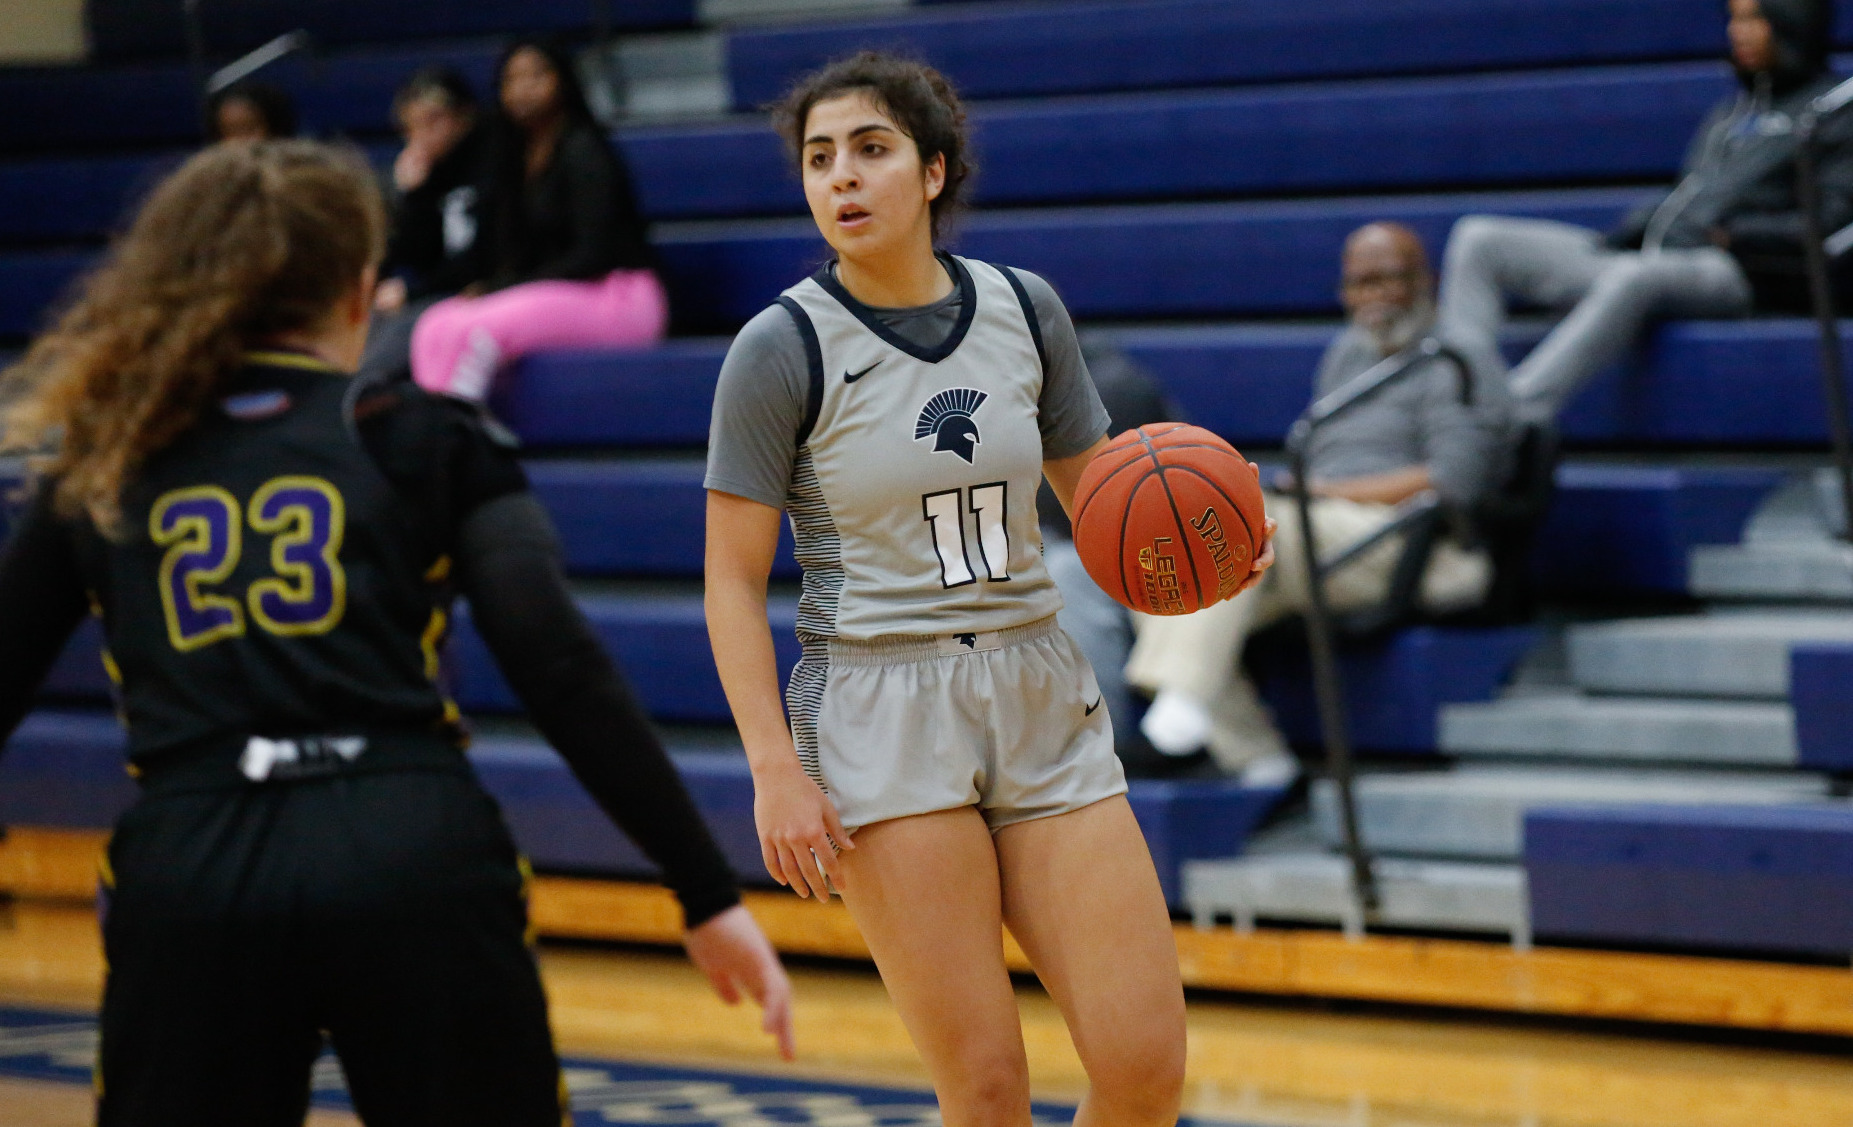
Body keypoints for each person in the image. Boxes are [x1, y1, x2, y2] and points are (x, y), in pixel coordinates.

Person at [0, 140, 791, 1126]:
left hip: (196, 854)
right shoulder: (422, 430)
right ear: (358, 288)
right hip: (408, 842)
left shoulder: (111, 452)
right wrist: (702, 888)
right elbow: (559, 663)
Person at [703, 52, 1273, 1127]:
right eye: (819, 158)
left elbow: (1103, 511)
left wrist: (1207, 556)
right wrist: (774, 769)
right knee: (985, 1086)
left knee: (1144, 1062)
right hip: (881, 703)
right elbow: (729, 584)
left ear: (931, 170)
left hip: (1036, 682)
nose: (842, 179)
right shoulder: (777, 348)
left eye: (869, 151)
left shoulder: (1023, 308)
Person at [1126, 223, 1512, 782]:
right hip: (1320, 535)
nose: (1375, 295)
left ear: (1427, 281)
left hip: (1422, 541)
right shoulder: (1349, 352)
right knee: (1168, 558)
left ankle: (1177, 714)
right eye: (1360, 283)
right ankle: (1261, 764)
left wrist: (1324, 493)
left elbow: (1456, 482)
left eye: (1390, 279)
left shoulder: (1460, 358)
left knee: (1237, 528)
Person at [1437, 0, 1853, 421]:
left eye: (1753, 18)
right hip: (1663, 256)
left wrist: (1738, 236)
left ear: (1793, 21)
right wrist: (1639, 226)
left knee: (1634, 275)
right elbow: (1691, 195)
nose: (1737, 32)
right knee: (1480, 238)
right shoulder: (1732, 113)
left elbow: (1835, 228)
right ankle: (1457, 404)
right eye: (1734, 19)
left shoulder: (1835, 109)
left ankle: (1509, 416)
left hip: (1744, 272)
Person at [410, 39, 667, 402]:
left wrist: (510, 286)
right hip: (553, 291)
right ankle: (432, 431)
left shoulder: (585, 150)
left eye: (536, 75)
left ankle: (459, 436)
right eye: (512, 79)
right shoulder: (512, 159)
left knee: (479, 328)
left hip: (616, 295)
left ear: (562, 79)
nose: (523, 89)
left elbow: (596, 253)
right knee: (433, 324)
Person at [1035, 333, 1182, 774]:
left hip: (1142, 555)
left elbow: (1101, 516)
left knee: (1065, 572)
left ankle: (1099, 749)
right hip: (1049, 545)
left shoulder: (1112, 388)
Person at [361, 66, 493, 386]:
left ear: (465, 115)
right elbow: (412, 253)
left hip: (486, 284)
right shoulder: (427, 172)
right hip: (439, 288)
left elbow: (488, 252)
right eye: (411, 127)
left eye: (434, 120)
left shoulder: (496, 163)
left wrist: (412, 290)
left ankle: (358, 391)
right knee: (369, 318)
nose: (422, 136)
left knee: (414, 323)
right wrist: (414, 196)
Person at [208, 80, 298, 143]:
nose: (241, 139)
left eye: (249, 128)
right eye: (230, 131)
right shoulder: (210, 169)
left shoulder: (302, 168)